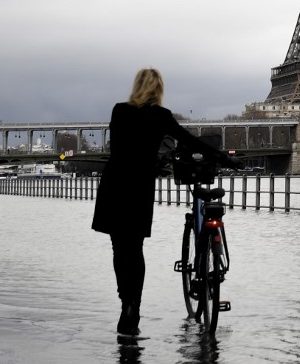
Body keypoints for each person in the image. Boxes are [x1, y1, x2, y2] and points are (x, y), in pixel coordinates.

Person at [92, 67, 239, 337]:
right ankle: (135, 306)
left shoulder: (119, 111)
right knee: (136, 249)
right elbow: (190, 141)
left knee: (120, 249)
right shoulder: (161, 116)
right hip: (139, 188)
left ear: (136, 86)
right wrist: (223, 158)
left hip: (115, 185)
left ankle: (126, 304)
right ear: (158, 89)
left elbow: (121, 148)